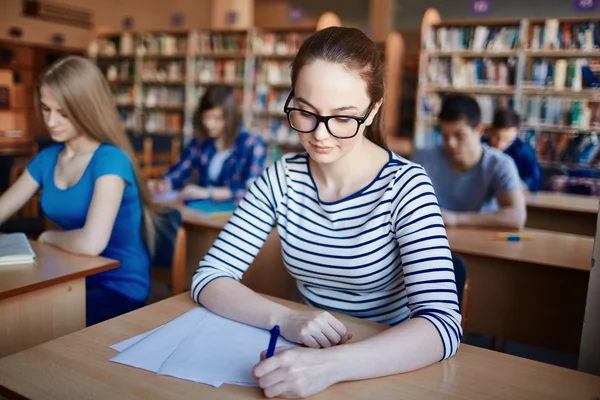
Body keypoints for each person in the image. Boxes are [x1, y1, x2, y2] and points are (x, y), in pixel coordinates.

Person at [191, 27, 461, 399]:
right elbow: (209, 277)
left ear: (372, 112)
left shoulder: (406, 186)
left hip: (386, 367)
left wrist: (332, 367)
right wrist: (286, 318)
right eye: (305, 112)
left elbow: (442, 324)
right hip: (306, 357)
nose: (320, 134)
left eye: (343, 117)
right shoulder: (281, 177)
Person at [0, 56, 156, 326]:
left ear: (87, 108)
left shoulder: (110, 159)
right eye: (46, 109)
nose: (51, 122)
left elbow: (91, 243)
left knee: (28, 323)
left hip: (118, 286)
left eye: (63, 112)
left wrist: (47, 236)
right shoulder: (47, 158)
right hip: (68, 275)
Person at [413, 94, 526, 230]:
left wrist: (455, 219)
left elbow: (516, 217)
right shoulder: (423, 160)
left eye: (459, 136)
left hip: (480, 244)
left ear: (479, 131)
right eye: (445, 135)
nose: (451, 143)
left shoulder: (500, 164)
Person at [149, 85, 267, 202]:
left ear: (230, 118)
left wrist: (209, 193)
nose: (209, 124)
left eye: (217, 118)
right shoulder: (199, 142)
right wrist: (165, 184)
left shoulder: (253, 144)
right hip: (202, 213)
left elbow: (254, 191)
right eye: (206, 117)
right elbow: (179, 172)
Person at [487, 108, 542, 193]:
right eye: (496, 138)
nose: (500, 144)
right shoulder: (480, 147)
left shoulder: (523, 150)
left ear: (515, 134)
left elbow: (534, 180)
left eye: (507, 140)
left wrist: (516, 185)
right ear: (490, 131)